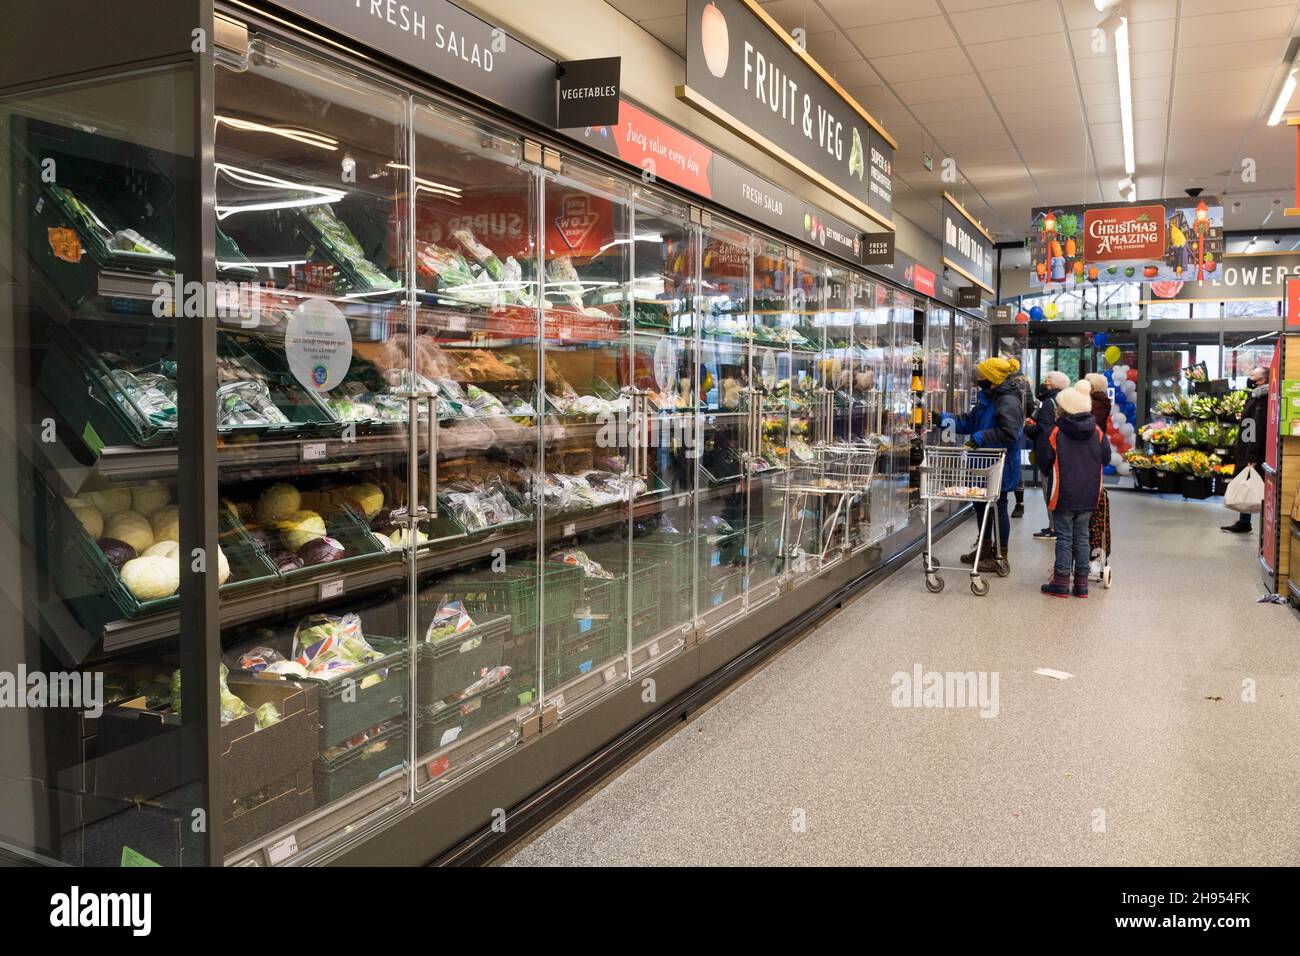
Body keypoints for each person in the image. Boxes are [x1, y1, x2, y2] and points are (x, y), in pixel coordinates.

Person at [933, 356, 1025, 572]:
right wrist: (942, 419)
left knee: (998, 507)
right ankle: (985, 548)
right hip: (983, 463)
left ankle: (1001, 557)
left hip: (999, 464)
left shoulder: (1008, 401)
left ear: (993, 378)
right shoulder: (989, 398)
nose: (978, 378)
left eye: (982, 375)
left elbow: (1009, 433)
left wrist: (980, 438)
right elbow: (969, 421)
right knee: (981, 506)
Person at [1037, 385, 1108, 598]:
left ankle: (1060, 583)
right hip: (1089, 493)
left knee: (1065, 538)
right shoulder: (1097, 431)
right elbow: (1105, 458)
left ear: (1064, 408)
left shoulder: (1055, 432)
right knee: (1082, 537)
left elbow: (1045, 461)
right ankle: (1082, 585)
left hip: (1063, 492)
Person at [1222, 365, 1271, 534]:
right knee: (1248, 483)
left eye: (1253, 375)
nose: (1249, 378)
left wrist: (1251, 453)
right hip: (1248, 446)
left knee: (1250, 484)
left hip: (1251, 449)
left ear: (1262, 380)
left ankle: (1251, 522)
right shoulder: (1256, 397)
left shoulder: (1261, 400)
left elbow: (1256, 427)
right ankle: (1244, 521)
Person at [1023, 370, 1071, 539]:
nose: (1045, 382)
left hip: (1048, 453)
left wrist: (1028, 428)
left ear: (1056, 384)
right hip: (1059, 452)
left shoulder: (1049, 402)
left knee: (1049, 491)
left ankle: (1054, 528)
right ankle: (1055, 527)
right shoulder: (1063, 400)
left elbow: (1044, 429)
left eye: (1048, 380)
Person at [1007, 366, 1038, 519]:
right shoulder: (1023, 383)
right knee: (1015, 464)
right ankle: (1019, 503)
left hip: (1005, 427)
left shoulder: (1004, 383)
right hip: (1016, 426)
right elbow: (1030, 407)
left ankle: (1000, 498)